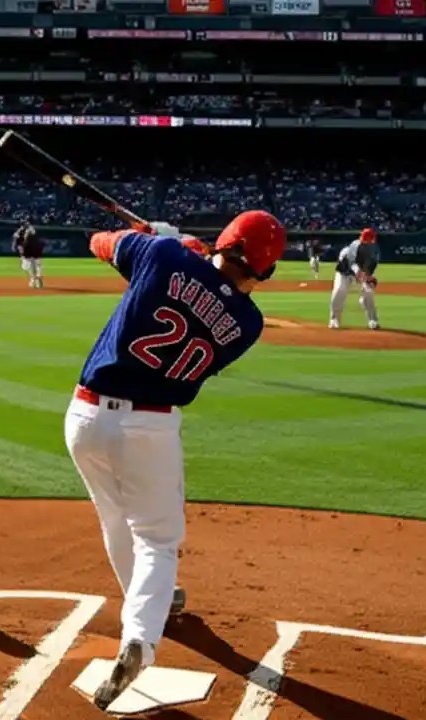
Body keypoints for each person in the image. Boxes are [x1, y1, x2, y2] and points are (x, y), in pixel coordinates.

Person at [66, 210, 286, 711]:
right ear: (265, 270)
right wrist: (177, 248)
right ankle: (141, 639)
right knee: (158, 540)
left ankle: (144, 603)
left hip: (84, 415)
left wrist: (148, 240)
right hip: (149, 427)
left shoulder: (161, 256)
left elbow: (98, 242)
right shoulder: (247, 325)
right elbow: (219, 295)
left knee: (115, 519)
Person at [328, 227, 381, 330]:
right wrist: (360, 274)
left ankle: (372, 320)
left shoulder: (374, 252)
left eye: (367, 240)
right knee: (339, 290)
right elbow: (353, 264)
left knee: (368, 292)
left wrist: (369, 278)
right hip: (344, 273)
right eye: (364, 240)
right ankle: (334, 319)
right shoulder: (354, 246)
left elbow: (371, 268)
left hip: (360, 274)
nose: (365, 242)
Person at [12, 218, 45, 289]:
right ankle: (37, 278)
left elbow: (17, 240)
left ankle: (34, 279)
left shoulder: (24, 230)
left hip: (28, 249)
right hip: (36, 248)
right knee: (36, 264)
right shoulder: (30, 229)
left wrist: (16, 247)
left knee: (26, 266)